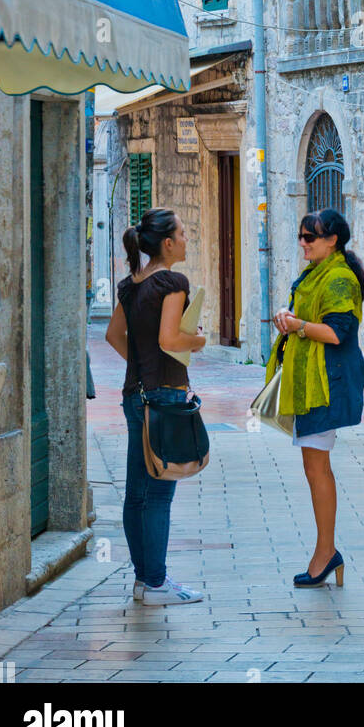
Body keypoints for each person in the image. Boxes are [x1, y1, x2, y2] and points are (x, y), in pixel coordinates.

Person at [105, 207, 206, 606]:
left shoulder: (131, 284)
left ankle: (144, 580)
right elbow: (170, 339)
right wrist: (198, 340)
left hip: (135, 396)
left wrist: (140, 363)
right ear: (167, 243)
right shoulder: (172, 282)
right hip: (163, 396)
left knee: (136, 494)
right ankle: (158, 583)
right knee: (160, 492)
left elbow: (115, 335)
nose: (186, 238)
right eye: (182, 233)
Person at [269, 207, 364, 588]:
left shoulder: (340, 278)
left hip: (325, 384)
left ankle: (326, 553)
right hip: (312, 382)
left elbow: (339, 332)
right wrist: (289, 317)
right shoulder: (318, 273)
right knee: (315, 469)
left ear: (333, 241)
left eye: (311, 237)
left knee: (317, 470)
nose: (303, 243)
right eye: (301, 235)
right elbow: (307, 318)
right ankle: (326, 552)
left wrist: (298, 326)